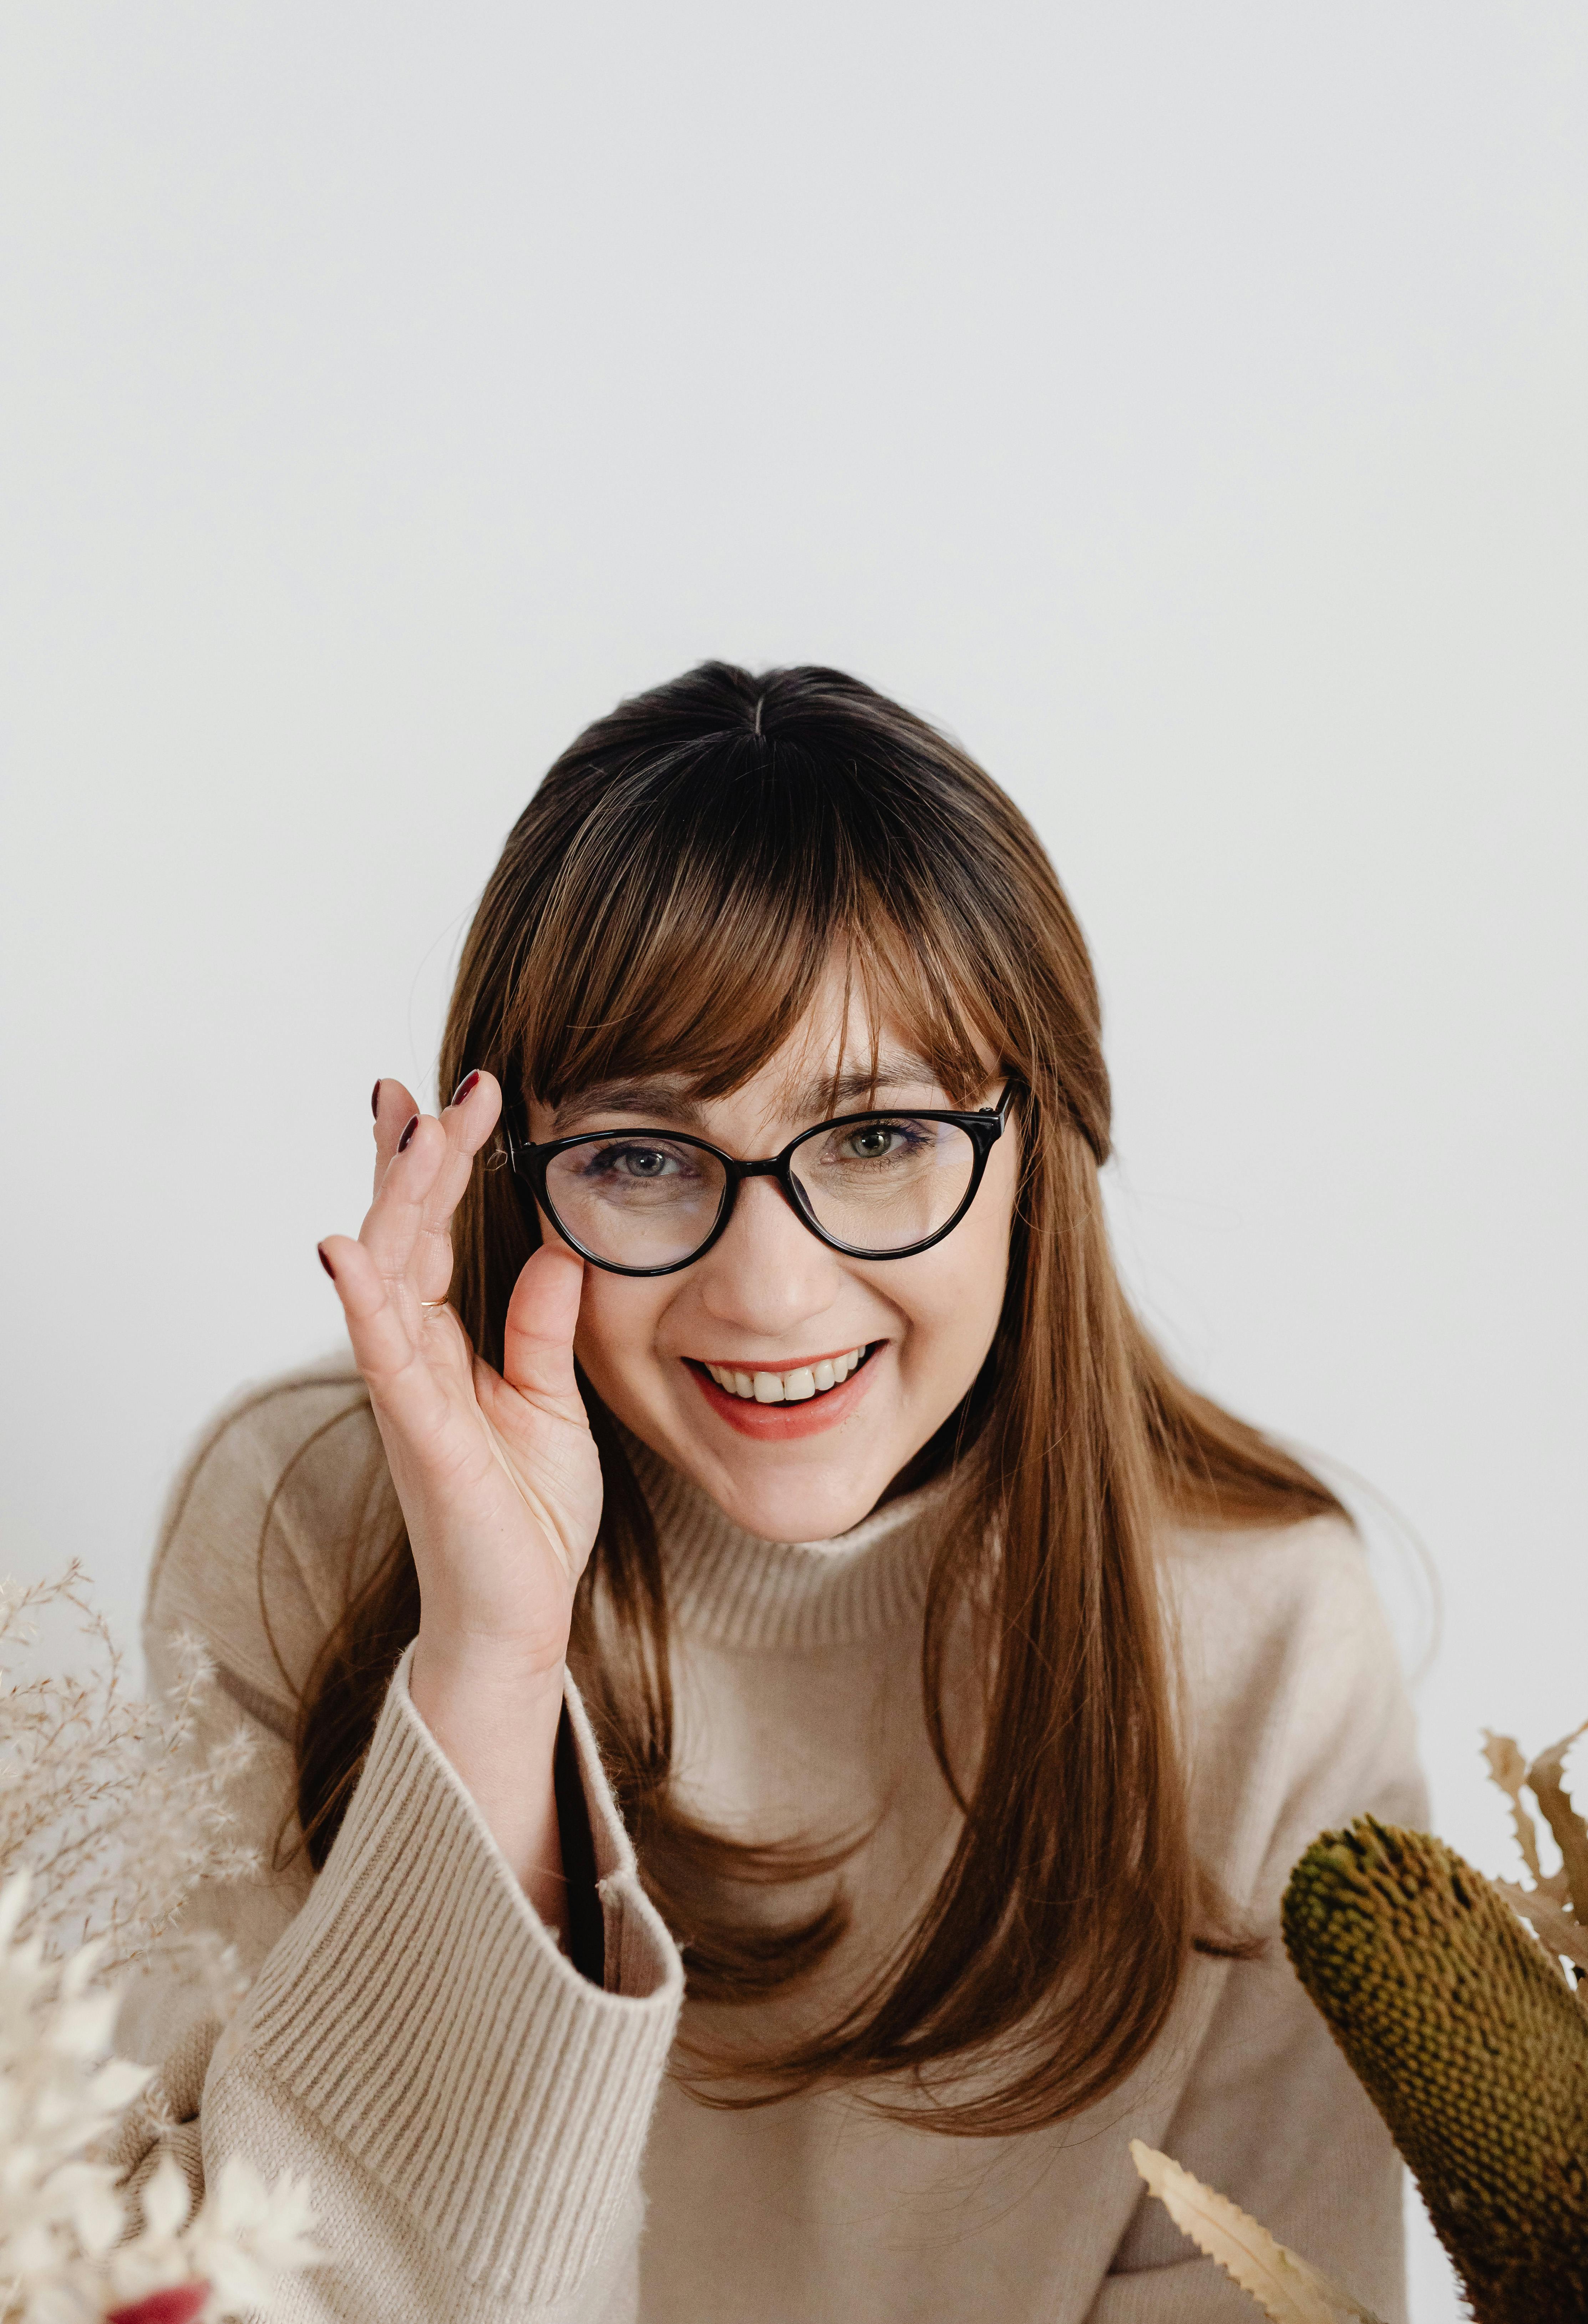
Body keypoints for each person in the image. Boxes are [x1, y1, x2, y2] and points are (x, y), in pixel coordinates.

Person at [120, 663, 1425, 2323]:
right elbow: (208, 2291)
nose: (772, 1294)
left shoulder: (1262, 1637)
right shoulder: (310, 1519)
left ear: (1044, 1145)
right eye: (646, 1155)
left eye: (877, 1135)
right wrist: (491, 1680)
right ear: (516, 1172)